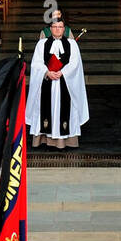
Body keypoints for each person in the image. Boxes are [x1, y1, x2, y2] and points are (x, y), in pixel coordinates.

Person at [26, 13, 89, 148]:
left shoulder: (72, 44)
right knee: (45, 109)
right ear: (50, 28)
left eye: (60, 27)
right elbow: (36, 63)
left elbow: (75, 63)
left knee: (65, 110)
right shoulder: (42, 44)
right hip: (46, 83)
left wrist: (62, 72)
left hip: (65, 83)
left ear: (64, 28)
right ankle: (43, 140)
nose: (57, 29)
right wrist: (47, 72)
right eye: (54, 27)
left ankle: (64, 141)